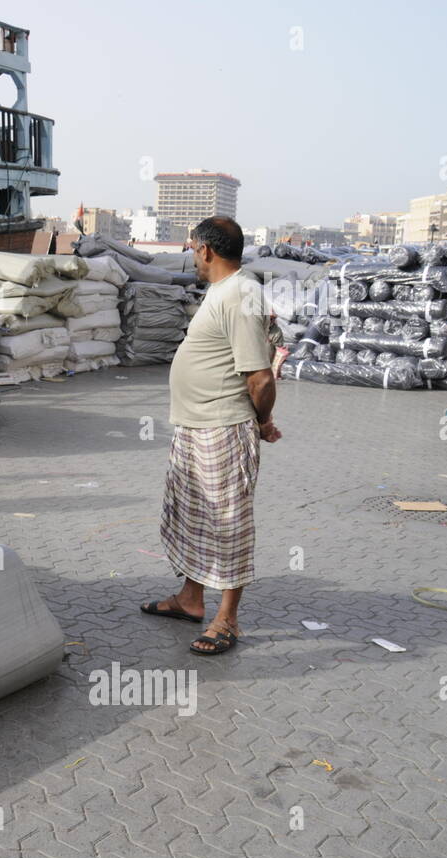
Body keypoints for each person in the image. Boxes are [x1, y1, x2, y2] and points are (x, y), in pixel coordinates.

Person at [140, 216, 282, 656]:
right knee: (195, 517)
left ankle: (228, 618)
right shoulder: (223, 292)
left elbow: (259, 377)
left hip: (222, 428)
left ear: (205, 250)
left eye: (192, 247)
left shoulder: (240, 294)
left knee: (227, 524)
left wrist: (260, 422)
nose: (191, 254)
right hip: (196, 426)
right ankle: (191, 599)